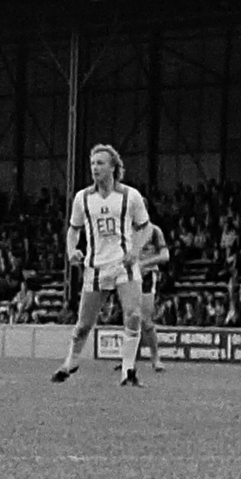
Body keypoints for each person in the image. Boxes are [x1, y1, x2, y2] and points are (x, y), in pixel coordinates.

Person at [52, 143, 151, 387]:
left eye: (100, 163)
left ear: (113, 167)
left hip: (124, 266)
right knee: (84, 325)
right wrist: (71, 250)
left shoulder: (130, 196)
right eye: (93, 163)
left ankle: (128, 371)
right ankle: (71, 362)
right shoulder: (83, 198)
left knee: (133, 315)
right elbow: (73, 230)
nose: (95, 168)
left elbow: (145, 227)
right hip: (95, 268)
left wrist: (135, 251)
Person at [133, 219, 172, 374]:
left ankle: (155, 359)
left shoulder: (154, 231)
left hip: (147, 276)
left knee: (146, 321)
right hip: (130, 278)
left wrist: (144, 264)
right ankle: (129, 361)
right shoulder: (126, 231)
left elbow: (165, 255)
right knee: (131, 318)